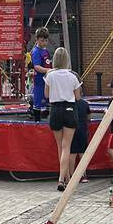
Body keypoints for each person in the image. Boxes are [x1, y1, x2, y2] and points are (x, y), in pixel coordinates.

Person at [45, 46, 83, 190]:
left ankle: (64, 177)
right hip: (69, 109)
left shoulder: (50, 75)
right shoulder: (73, 76)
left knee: (59, 147)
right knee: (67, 146)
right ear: (67, 60)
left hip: (55, 110)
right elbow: (78, 97)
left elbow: (47, 95)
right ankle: (62, 178)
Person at [29, 26, 52, 121]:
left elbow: (48, 63)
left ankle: (46, 115)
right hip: (39, 80)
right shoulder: (36, 52)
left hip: (47, 79)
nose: (44, 42)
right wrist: (48, 70)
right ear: (37, 40)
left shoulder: (46, 51)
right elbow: (37, 67)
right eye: (42, 40)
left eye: (46, 40)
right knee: (38, 99)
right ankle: (37, 120)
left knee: (47, 99)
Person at [69, 90, 91, 184]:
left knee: (72, 153)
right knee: (82, 153)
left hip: (71, 129)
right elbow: (89, 117)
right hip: (82, 129)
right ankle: (83, 174)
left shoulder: (69, 104)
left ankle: (71, 175)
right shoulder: (84, 104)